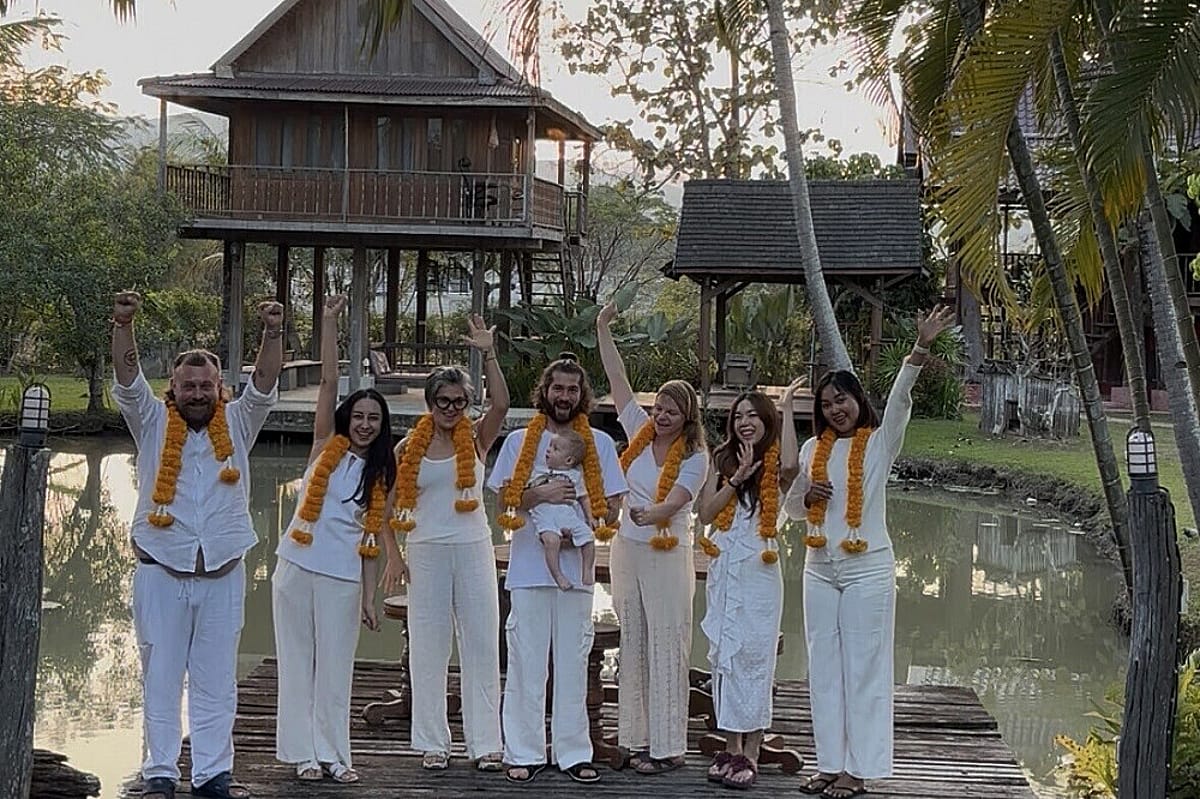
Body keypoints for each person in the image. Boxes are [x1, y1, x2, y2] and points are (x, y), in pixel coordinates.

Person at [111, 291, 283, 799]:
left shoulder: (239, 422)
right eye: (188, 385)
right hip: (161, 573)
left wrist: (273, 331)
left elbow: (265, 382)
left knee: (217, 683)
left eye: (206, 385)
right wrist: (123, 324)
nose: (198, 393)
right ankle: (160, 773)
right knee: (160, 679)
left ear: (219, 387)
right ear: (174, 388)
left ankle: (212, 775)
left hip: (222, 575)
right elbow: (127, 378)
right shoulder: (151, 419)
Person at [784, 306, 956, 799]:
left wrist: (918, 349)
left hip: (868, 569)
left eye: (841, 399)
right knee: (823, 667)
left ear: (857, 400)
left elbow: (899, 402)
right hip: (819, 568)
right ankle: (828, 763)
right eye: (826, 404)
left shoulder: (879, 444)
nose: (835, 409)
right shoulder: (815, 450)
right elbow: (792, 510)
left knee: (864, 668)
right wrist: (808, 497)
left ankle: (857, 770)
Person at [487, 353, 628, 785]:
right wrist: (541, 494)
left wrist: (584, 526)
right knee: (526, 664)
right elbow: (504, 502)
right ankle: (523, 752)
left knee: (572, 663)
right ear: (545, 392)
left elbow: (612, 507)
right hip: (529, 569)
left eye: (572, 389)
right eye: (557, 388)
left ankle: (573, 753)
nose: (564, 396)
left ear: (581, 395)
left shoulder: (599, 443)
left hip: (577, 574)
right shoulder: (519, 441)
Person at [272, 295, 395, 783]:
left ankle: (335, 754)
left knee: (336, 667)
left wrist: (368, 597)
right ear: (348, 418)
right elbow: (327, 382)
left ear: (382, 426)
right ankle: (302, 754)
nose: (364, 424)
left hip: (342, 576)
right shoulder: (325, 446)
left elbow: (371, 540)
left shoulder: (380, 472)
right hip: (295, 568)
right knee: (297, 662)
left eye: (373, 419)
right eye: (358, 416)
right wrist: (328, 322)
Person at [380, 315, 509, 772]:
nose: (452, 409)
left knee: (482, 645)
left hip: (473, 547)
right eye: (444, 401)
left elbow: (501, 403)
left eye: (459, 401)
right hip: (426, 551)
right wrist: (394, 555)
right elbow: (383, 511)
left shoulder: (477, 438)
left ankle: (486, 743)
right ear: (430, 402)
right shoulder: (405, 448)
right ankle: (433, 742)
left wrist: (487, 353)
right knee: (429, 648)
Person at [595, 303, 709, 775]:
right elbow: (617, 377)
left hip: (667, 553)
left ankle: (669, 747)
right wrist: (602, 327)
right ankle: (634, 738)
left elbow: (676, 502)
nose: (661, 416)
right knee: (635, 641)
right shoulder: (638, 431)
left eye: (671, 411)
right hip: (628, 550)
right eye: (658, 407)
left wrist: (648, 513)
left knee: (667, 644)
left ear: (687, 416)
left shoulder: (696, 455)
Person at [695, 381, 804, 789]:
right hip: (725, 566)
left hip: (759, 569)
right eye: (738, 416)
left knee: (756, 658)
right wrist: (736, 478)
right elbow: (706, 514)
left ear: (766, 421)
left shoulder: (775, 465)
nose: (744, 422)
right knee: (725, 658)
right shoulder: (720, 458)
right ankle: (730, 745)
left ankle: (752, 750)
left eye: (753, 415)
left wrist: (787, 406)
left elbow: (792, 466)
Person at [527, 429, 597, 591]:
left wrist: (590, 517)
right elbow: (523, 492)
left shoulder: (574, 476)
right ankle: (558, 575)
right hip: (544, 516)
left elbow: (584, 497)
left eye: (555, 448)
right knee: (552, 542)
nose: (548, 450)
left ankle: (587, 569)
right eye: (549, 446)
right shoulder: (537, 472)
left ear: (569, 460)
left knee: (588, 537)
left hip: (567, 516)